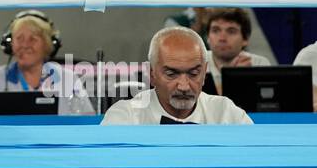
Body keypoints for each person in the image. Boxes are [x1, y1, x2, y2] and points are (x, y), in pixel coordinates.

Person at [101, 27, 253, 125]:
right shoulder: (124, 118)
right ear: (151, 73)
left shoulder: (227, 114)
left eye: (194, 74)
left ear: (205, 71)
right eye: (171, 74)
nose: (184, 86)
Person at [0, 11, 93, 116]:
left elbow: (88, 121)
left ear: (47, 44)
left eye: (32, 39)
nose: (25, 45)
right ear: (10, 44)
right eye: (19, 38)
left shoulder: (68, 78)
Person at [203, 8, 270, 95]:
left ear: (245, 39)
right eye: (216, 30)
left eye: (231, 31)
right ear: (208, 37)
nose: (222, 38)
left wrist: (247, 78)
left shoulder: (259, 64)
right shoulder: (196, 62)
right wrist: (232, 79)